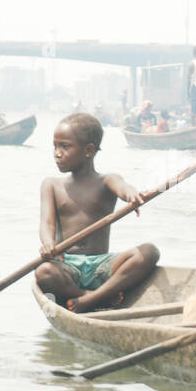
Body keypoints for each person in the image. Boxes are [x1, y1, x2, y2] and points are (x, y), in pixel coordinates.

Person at [36, 113, 159, 313]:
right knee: (44, 273)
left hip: (101, 264)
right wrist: (48, 243)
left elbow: (123, 187)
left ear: (89, 150)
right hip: (67, 265)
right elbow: (47, 223)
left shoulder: (107, 180)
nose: (57, 153)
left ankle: (94, 298)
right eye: (55, 146)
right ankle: (86, 297)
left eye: (65, 146)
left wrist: (132, 195)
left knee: (149, 252)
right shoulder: (51, 185)